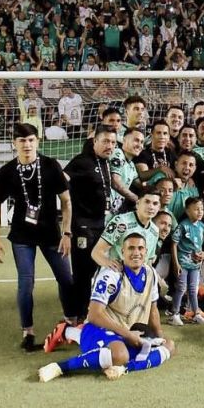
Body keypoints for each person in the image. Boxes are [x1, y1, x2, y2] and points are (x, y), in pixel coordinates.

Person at [38, 233, 174, 382]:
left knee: (169, 345)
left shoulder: (151, 273)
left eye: (140, 248)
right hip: (101, 328)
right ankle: (59, 366)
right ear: (122, 252)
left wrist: (159, 337)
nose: (136, 253)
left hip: (129, 332)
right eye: (131, 248)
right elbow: (94, 315)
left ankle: (122, 368)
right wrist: (128, 335)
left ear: (146, 251)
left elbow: (153, 310)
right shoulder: (110, 275)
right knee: (120, 355)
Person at [0, 123, 77, 351]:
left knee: (66, 278)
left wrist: (67, 233)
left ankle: (71, 322)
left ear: (37, 141)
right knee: (26, 283)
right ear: (14, 143)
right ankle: (27, 332)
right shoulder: (7, 171)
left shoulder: (50, 165)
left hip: (51, 234)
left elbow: (67, 201)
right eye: (22, 141)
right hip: (22, 236)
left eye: (30, 140)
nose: (27, 145)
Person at [62, 124, 118, 324]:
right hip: (83, 226)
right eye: (105, 141)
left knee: (96, 269)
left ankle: (91, 311)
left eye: (113, 142)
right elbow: (62, 179)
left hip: (101, 224)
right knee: (82, 272)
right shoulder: (82, 161)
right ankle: (79, 316)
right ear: (95, 141)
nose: (109, 146)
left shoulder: (105, 162)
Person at [168, 197, 204, 326]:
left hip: (195, 264)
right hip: (183, 263)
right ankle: (174, 314)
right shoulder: (183, 226)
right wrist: (176, 264)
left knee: (193, 289)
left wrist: (202, 254)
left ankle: (196, 313)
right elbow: (174, 244)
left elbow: (199, 245)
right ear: (187, 211)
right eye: (196, 209)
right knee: (181, 288)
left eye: (201, 209)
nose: (200, 211)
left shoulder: (202, 226)